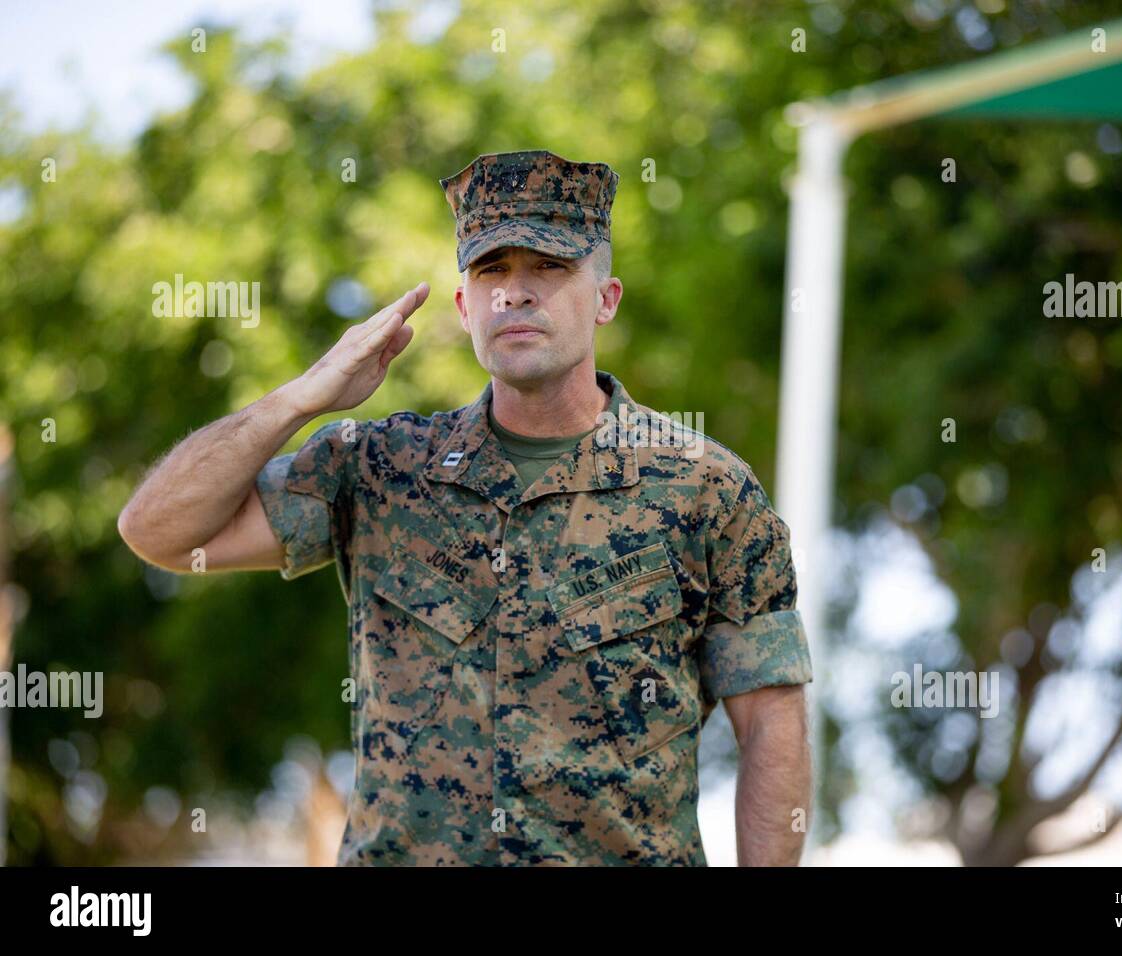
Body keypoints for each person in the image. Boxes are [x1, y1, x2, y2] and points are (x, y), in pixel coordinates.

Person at [117, 148, 813, 866]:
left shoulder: (703, 488)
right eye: (491, 272)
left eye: (548, 266)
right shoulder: (380, 470)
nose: (515, 293)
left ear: (606, 298)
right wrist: (300, 399)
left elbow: (771, 722)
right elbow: (157, 530)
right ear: (464, 306)